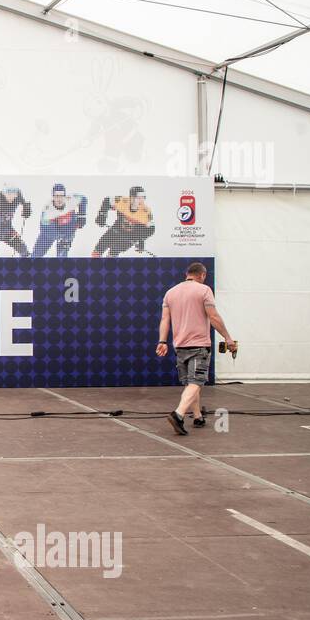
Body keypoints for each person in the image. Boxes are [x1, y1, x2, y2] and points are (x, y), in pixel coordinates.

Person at [157, 262, 236, 435]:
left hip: (180, 345)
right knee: (196, 382)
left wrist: (162, 342)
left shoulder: (171, 293)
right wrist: (227, 338)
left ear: (187, 274)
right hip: (199, 345)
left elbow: (164, 320)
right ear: (202, 275)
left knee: (190, 383)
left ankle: (198, 416)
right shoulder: (204, 290)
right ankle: (178, 414)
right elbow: (213, 316)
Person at [92, 185, 154, 257]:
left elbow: (151, 229)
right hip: (116, 229)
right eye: (138, 198)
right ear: (131, 197)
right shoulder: (123, 201)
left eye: (143, 198)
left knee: (114, 251)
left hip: (131, 236)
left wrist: (141, 240)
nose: (141, 201)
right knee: (98, 249)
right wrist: (102, 215)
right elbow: (107, 200)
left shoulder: (145, 211)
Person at [32, 183, 87, 257]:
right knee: (36, 255)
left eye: (61, 196)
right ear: (53, 197)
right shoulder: (47, 211)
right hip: (49, 232)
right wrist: (60, 236)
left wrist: (82, 215)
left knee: (62, 256)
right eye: (56, 196)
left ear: (65, 196)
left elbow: (83, 199)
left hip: (67, 229)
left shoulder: (71, 199)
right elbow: (44, 230)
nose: (59, 199)